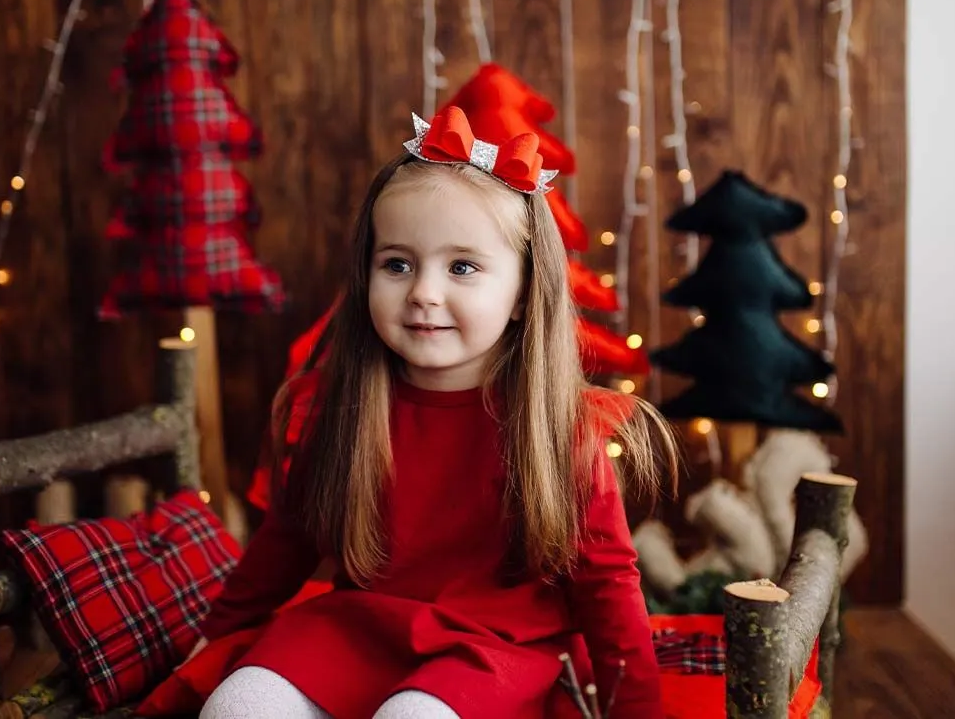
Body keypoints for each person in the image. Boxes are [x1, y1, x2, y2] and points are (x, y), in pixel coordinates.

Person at [197, 106, 679, 719]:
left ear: (522, 295)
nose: (423, 291)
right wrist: (214, 639)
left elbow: (607, 587)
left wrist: (635, 709)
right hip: (358, 631)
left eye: (462, 267)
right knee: (235, 708)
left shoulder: (560, 431)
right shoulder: (337, 407)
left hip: (491, 649)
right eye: (397, 264)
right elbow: (284, 541)